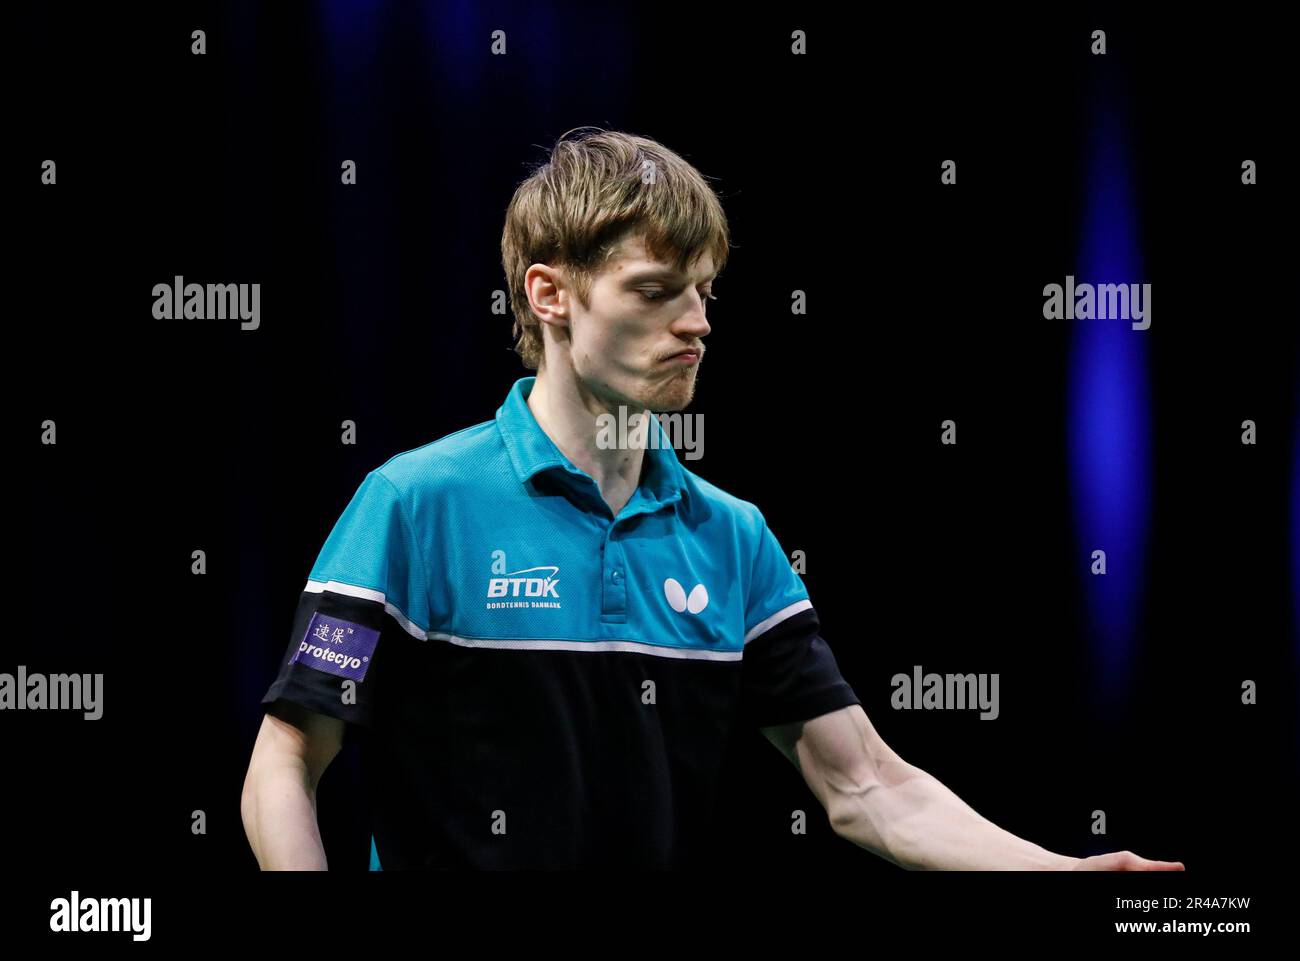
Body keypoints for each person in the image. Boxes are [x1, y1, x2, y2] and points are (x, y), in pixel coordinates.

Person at [240, 128, 1184, 871]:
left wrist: (1052, 871)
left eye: (703, 291)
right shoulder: (411, 504)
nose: (695, 322)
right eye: (655, 291)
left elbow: (867, 788)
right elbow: (285, 765)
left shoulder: (731, 538)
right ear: (550, 295)